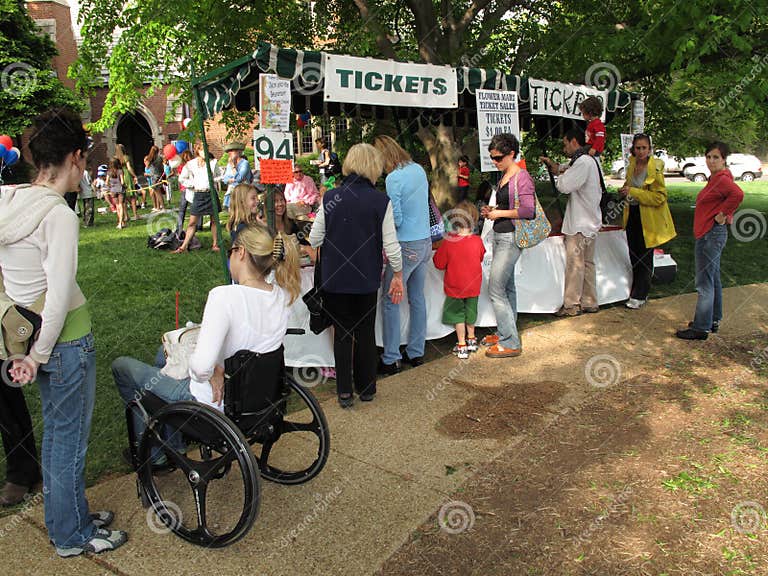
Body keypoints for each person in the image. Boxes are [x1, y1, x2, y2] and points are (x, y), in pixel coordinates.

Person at [0, 107, 127, 556]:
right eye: (84, 161)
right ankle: (72, 535)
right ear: (74, 157)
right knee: (69, 441)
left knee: (57, 434)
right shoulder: (58, 215)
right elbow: (56, 296)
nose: (84, 171)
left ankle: (67, 516)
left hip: (33, 338)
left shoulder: (9, 200)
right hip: (64, 342)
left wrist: (31, 352)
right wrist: (39, 355)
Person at [113, 224, 301, 446]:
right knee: (163, 356)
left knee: (121, 366)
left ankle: (154, 454)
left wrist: (213, 369)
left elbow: (201, 369)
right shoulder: (283, 296)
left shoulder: (223, 296)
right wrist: (216, 366)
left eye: (231, 250)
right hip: (257, 397)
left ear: (240, 252)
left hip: (211, 402)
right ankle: (174, 444)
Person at [309, 143, 404, 407]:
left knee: (342, 333)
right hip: (365, 278)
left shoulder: (331, 197)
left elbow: (315, 237)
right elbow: (391, 245)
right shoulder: (380, 200)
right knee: (365, 332)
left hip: (335, 278)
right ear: (373, 167)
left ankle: (344, 392)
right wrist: (398, 273)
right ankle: (367, 388)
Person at [373, 135, 432, 373]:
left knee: (390, 301)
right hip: (425, 241)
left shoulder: (393, 178)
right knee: (417, 298)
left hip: (405, 244)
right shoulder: (418, 169)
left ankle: (390, 357)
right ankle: (416, 352)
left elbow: (395, 218)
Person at [676, 142, 744, 340]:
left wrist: (723, 214)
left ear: (724, 159)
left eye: (716, 157)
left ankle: (700, 328)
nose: (711, 161)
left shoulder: (722, 179)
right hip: (711, 233)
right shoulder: (716, 178)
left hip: (711, 234)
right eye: (708, 157)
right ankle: (712, 320)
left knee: (704, 282)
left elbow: (738, 195)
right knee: (713, 279)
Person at [479, 134, 536, 357]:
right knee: (507, 287)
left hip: (511, 237)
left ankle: (510, 342)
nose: (495, 161)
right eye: (492, 158)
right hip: (502, 234)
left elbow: (528, 210)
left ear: (512, 153)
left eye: (498, 158)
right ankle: (507, 332)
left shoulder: (521, 177)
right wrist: (492, 212)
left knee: (496, 289)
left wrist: (498, 213)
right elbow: (507, 205)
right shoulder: (506, 174)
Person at [540, 128, 603, 317]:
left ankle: (571, 304)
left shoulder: (582, 162)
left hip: (580, 223)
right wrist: (555, 166)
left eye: (565, 143)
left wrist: (559, 175)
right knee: (588, 263)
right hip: (590, 221)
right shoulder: (587, 160)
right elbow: (567, 168)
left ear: (573, 141)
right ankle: (590, 301)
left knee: (575, 264)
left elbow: (565, 185)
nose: (564, 147)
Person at [619, 134, 677, 309]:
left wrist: (634, 192)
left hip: (649, 218)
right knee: (633, 254)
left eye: (644, 148)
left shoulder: (655, 169)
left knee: (644, 255)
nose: (641, 151)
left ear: (650, 149)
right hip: (633, 213)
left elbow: (660, 197)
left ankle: (640, 294)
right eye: (638, 148)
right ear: (633, 149)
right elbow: (630, 186)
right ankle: (636, 290)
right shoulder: (631, 165)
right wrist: (625, 191)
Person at [433, 201, 486, 359]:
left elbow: (439, 263)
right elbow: (481, 256)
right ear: (475, 219)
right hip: (474, 285)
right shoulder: (478, 241)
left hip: (455, 286)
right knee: (471, 313)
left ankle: (461, 344)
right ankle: (472, 339)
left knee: (457, 315)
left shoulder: (449, 242)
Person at [174, 142, 220, 253]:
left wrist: (213, 181)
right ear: (198, 151)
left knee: (214, 221)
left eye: (206, 149)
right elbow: (182, 178)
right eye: (202, 150)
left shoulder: (213, 163)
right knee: (192, 222)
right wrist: (192, 184)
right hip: (198, 194)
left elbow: (218, 176)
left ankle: (215, 244)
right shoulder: (191, 164)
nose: (205, 152)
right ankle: (183, 246)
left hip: (210, 193)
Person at [221, 142, 252, 211]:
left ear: (239, 152)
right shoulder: (229, 164)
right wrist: (233, 180)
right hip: (232, 192)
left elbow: (239, 178)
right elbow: (225, 179)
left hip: (242, 193)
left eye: (232, 151)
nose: (229, 153)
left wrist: (233, 166)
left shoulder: (244, 163)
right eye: (229, 151)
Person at [115, 143, 139, 218]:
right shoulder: (126, 157)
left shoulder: (115, 159)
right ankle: (135, 215)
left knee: (123, 198)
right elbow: (129, 168)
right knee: (132, 197)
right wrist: (134, 176)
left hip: (119, 177)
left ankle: (126, 216)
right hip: (127, 176)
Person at [107, 158, 127, 229]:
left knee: (117, 206)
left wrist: (111, 186)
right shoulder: (120, 171)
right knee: (121, 205)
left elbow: (107, 182)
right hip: (120, 190)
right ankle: (121, 223)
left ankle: (120, 222)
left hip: (113, 191)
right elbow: (122, 182)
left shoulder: (109, 172)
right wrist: (124, 185)